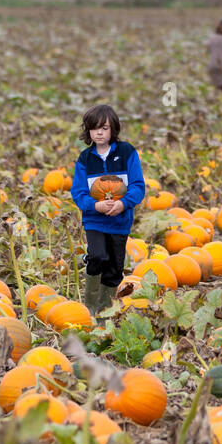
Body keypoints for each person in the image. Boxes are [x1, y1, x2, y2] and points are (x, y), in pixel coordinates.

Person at [70, 104, 147, 315]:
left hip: (120, 222)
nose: (100, 132)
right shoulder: (85, 159)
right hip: (95, 220)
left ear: (113, 128)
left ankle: (105, 312)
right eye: (94, 128)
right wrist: (95, 205)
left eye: (104, 128)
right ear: (88, 131)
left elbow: (138, 186)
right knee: (97, 256)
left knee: (114, 269)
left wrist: (123, 203)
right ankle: (90, 307)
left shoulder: (127, 153)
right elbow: (78, 192)